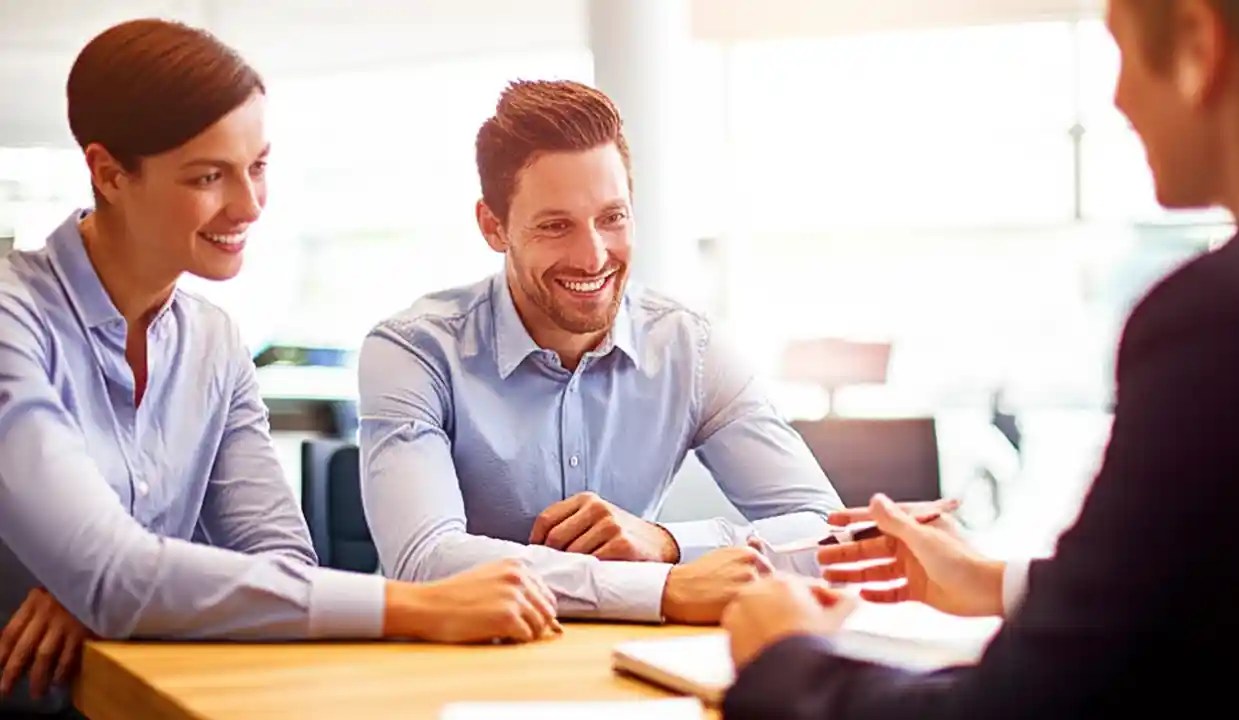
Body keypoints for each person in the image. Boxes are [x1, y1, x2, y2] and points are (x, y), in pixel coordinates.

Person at [720, 0, 1239, 716]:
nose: (1117, 99)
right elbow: (1216, 603)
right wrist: (994, 581)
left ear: (1198, 44)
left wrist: (787, 661)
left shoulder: (1225, 316)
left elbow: (1026, 706)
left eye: (1122, 55)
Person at [0, 19, 560, 717]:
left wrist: (126, 588)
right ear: (110, 173)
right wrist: (418, 606)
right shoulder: (14, 322)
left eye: (258, 166)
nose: (249, 205)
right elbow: (115, 579)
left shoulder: (212, 341)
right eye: (208, 176)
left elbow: (283, 563)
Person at [358, 79, 842, 624]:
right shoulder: (414, 350)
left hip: (630, 656)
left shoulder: (691, 348)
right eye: (555, 226)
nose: (592, 258)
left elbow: (828, 534)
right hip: (461, 657)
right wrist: (660, 588)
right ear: (494, 227)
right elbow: (425, 561)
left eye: (612, 218)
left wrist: (667, 544)